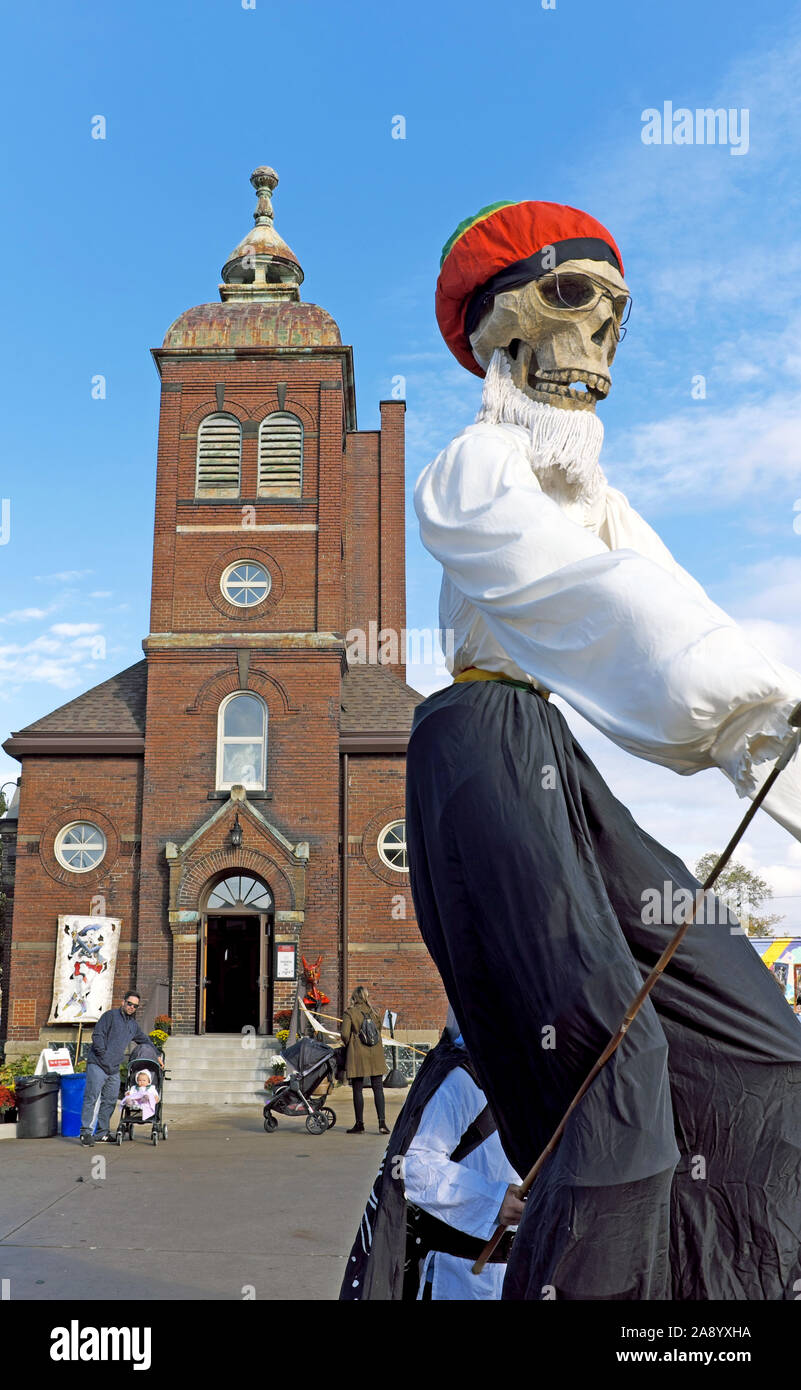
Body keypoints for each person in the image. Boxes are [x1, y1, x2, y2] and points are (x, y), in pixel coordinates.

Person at [406, 196, 801, 1299]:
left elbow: (673, 597)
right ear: (502, 327)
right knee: (607, 1083)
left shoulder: (593, 494)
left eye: (618, 313)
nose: (601, 337)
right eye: (574, 298)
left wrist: (775, 735)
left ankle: (713, 1299)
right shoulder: (474, 466)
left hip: (548, 750)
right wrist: (737, 700)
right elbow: (594, 600)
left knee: (765, 1044)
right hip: (479, 749)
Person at [340, 1012, 523, 1300]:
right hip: (461, 1278)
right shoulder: (464, 1077)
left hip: (520, 1271)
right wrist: (493, 1200)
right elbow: (413, 1165)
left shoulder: (540, 1078)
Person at [79, 991, 153, 1146]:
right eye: (129, 1003)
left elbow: (144, 1039)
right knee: (91, 1097)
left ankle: (102, 1133)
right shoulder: (110, 1016)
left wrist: (157, 1053)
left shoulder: (132, 1025)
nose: (132, 1007)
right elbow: (97, 1035)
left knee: (110, 1100)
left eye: (135, 1006)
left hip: (113, 1069)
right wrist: (103, 1056)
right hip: (98, 1064)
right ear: (123, 1002)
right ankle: (86, 1132)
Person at [340, 985, 389, 1135]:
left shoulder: (350, 1012)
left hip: (358, 1054)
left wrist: (349, 1044)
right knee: (378, 1088)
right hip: (375, 1054)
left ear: (354, 997)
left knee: (357, 1089)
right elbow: (378, 1031)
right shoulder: (374, 1013)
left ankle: (359, 1124)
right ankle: (382, 1124)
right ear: (366, 996)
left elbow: (344, 1034)